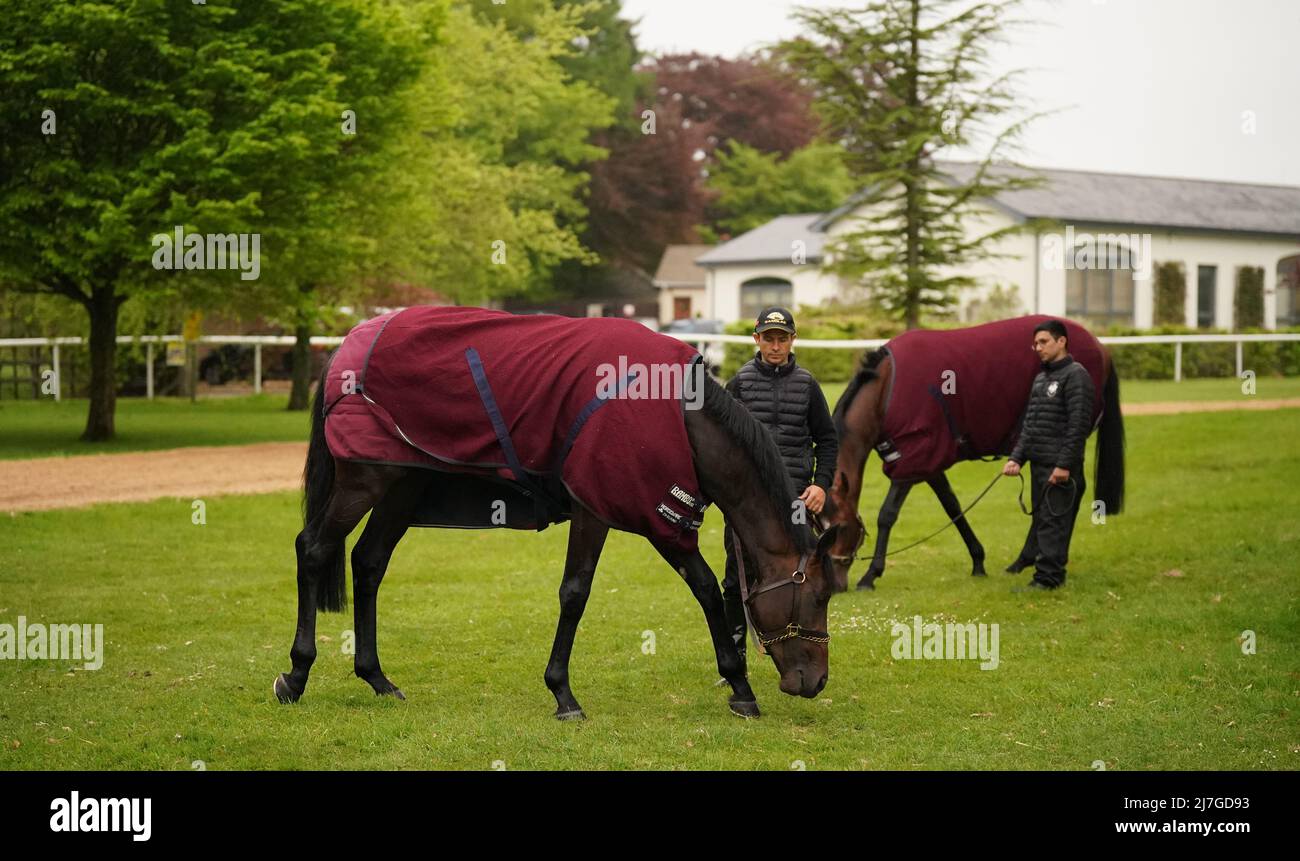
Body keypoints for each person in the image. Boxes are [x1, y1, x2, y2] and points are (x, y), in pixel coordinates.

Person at [722, 306, 838, 667]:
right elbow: (723, 445)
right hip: (748, 504)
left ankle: (794, 647)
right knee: (735, 580)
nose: (775, 345)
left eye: (782, 338)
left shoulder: (807, 384)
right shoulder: (739, 384)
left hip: (796, 500)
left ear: (792, 340)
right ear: (756, 339)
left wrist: (821, 486)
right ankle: (735, 655)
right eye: (768, 338)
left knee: (798, 577)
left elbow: (828, 440)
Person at [1002, 319, 1095, 590]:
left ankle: (1047, 579)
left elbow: (1078, 426)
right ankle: (1049, 574)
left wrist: (1064, 465)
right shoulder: (1042, 378)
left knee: (1054, 522)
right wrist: (1016, 458)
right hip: (1039, 465)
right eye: (1035, 343)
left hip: (1059, 469)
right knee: (1043, 519)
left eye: (1044, 342)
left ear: (1062, 341)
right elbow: (1030, 426)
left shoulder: (1076, 376)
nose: (1038, 348)